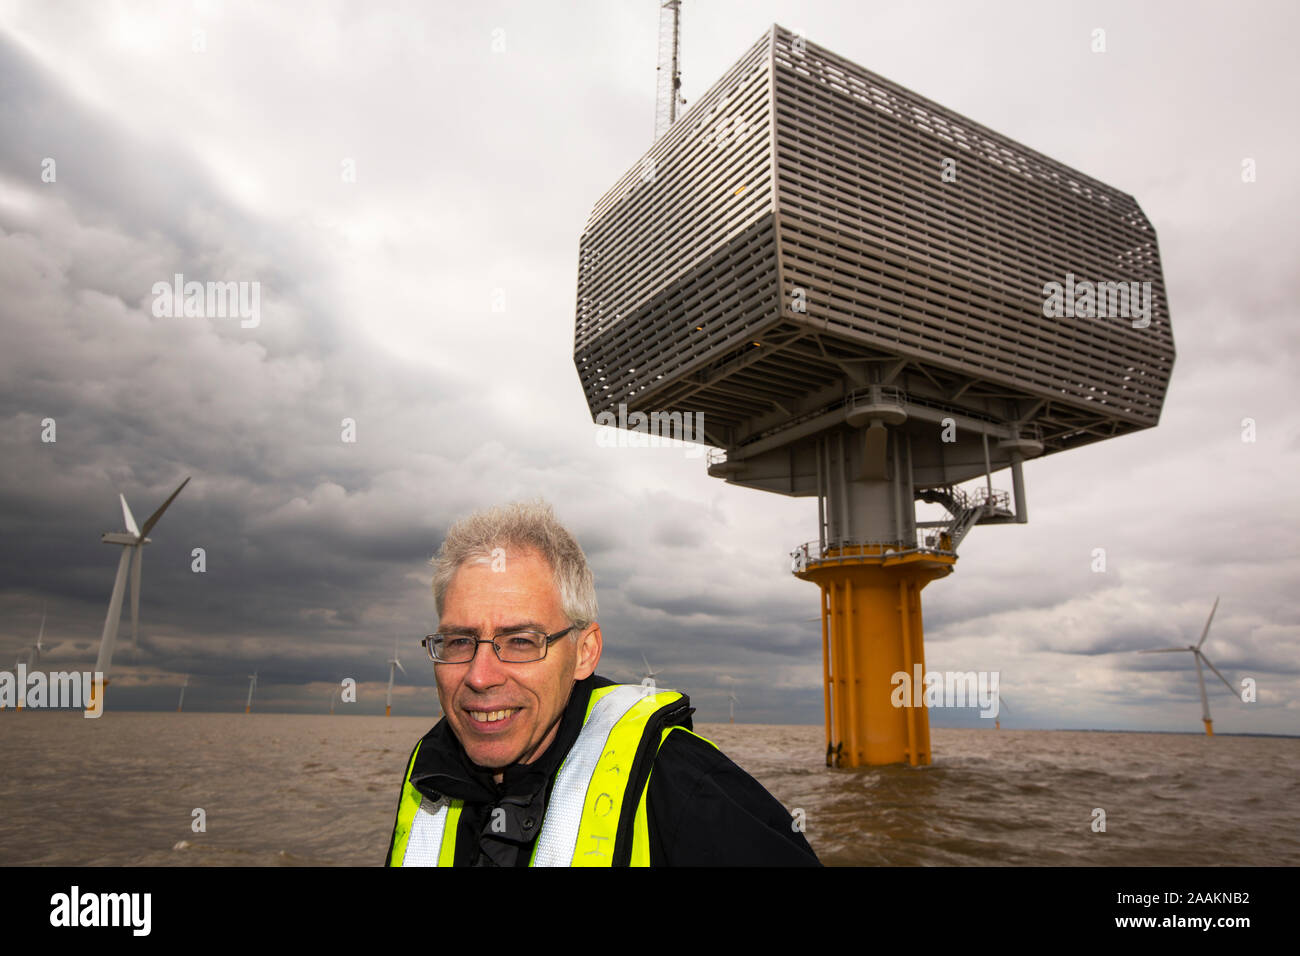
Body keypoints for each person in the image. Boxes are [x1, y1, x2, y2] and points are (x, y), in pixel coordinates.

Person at [386, 500, 821, 866]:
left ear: (584, 652)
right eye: (459, 641)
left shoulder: (679, 786)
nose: (479, 676)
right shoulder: (428, 776)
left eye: (520, 641)